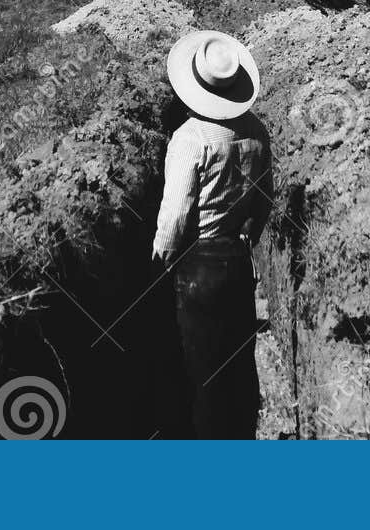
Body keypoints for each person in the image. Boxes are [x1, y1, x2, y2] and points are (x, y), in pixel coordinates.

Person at [152, 30, 273, 439]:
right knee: (238, 369)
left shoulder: (190, 139)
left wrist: (162, 260)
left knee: (202, 376)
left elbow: (176, 214)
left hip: (196, 268)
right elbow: (263, 204)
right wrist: (245, 243)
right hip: (238, 264)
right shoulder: (257, 133)